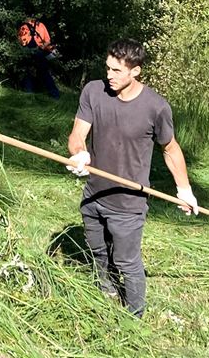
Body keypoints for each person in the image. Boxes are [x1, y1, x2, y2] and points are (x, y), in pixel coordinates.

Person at [67, 39, 198, 317]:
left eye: (117, 70)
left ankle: (135, 317)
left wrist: (184, 190)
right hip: (94, 194)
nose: (109, 76)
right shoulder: (94, 91)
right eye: (107, 68)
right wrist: (79, 153)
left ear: (136, 71)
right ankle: (105, 290)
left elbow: (170, 148)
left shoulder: (156, 107)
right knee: (98, 251)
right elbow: (78, 133)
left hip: (128, 204)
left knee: (126, 262)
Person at [18, 16, 59, 99]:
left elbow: (21, 43)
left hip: (29, 52)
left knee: (28, 73)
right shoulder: (41, 25)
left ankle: (28, 95)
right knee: (44, 73)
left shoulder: (23, 28)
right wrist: (42, 47)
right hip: (40, 52)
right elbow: (48, 41)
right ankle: (54, 95)